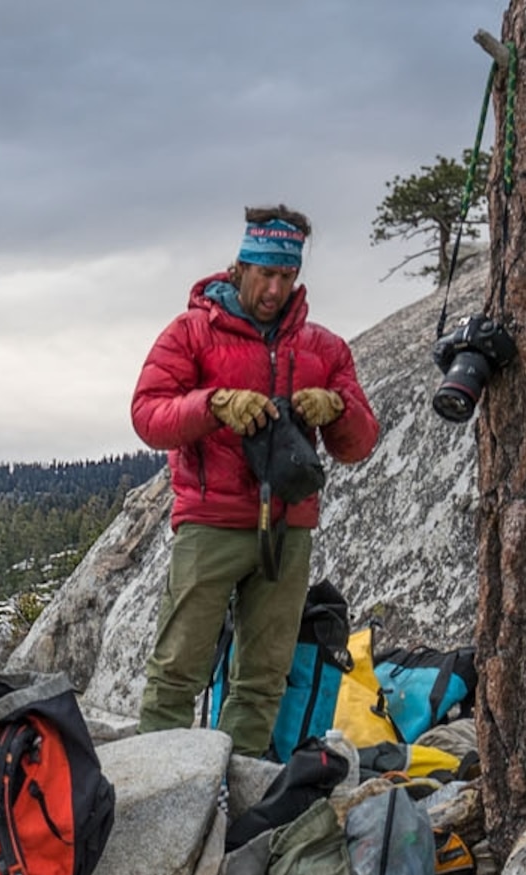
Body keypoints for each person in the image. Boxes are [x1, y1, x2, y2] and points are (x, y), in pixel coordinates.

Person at [128, 206, 381, 755]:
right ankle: (158, 793)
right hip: (211, 523)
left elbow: (360, 443)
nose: (274, 289)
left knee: (264, 677)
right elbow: (148, 415)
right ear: (240, 266)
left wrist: (336, 407)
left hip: (287, 529)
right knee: (178, 669)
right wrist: (214, 405)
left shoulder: (324, 349)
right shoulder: (192, 333)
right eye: (264, 274)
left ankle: (235, 793)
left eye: (286, 277)